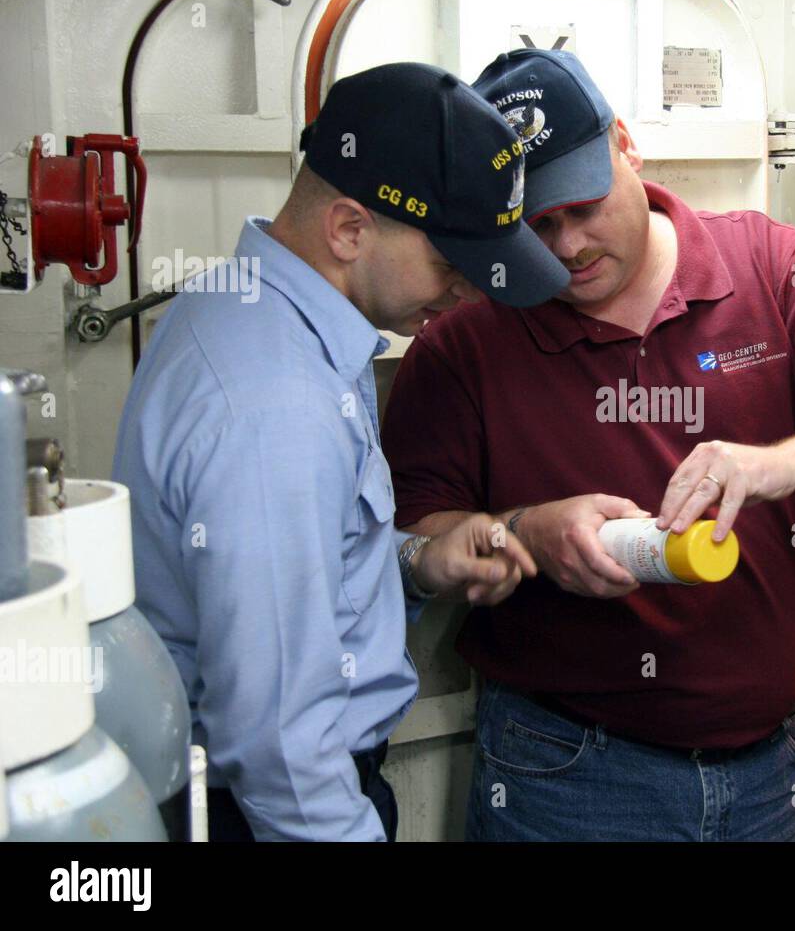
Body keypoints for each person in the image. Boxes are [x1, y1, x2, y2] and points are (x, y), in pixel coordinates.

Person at [381, 50, 795, 841]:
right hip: (563, 776)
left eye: (582, 206)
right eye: (537, 225)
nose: (569, 246)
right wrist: (525, 532)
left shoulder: (768, 265)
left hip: (767, 770)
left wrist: (775, 464)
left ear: (625, 146)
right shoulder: (466, 340)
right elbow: (408, 548)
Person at [112, 62, 567, 841]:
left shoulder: (265, 314)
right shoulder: (273, 404)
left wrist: (417, 561)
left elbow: (300, 571)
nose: (469, 292)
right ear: (350, 228)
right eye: (451, 265)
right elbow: (280, 745)